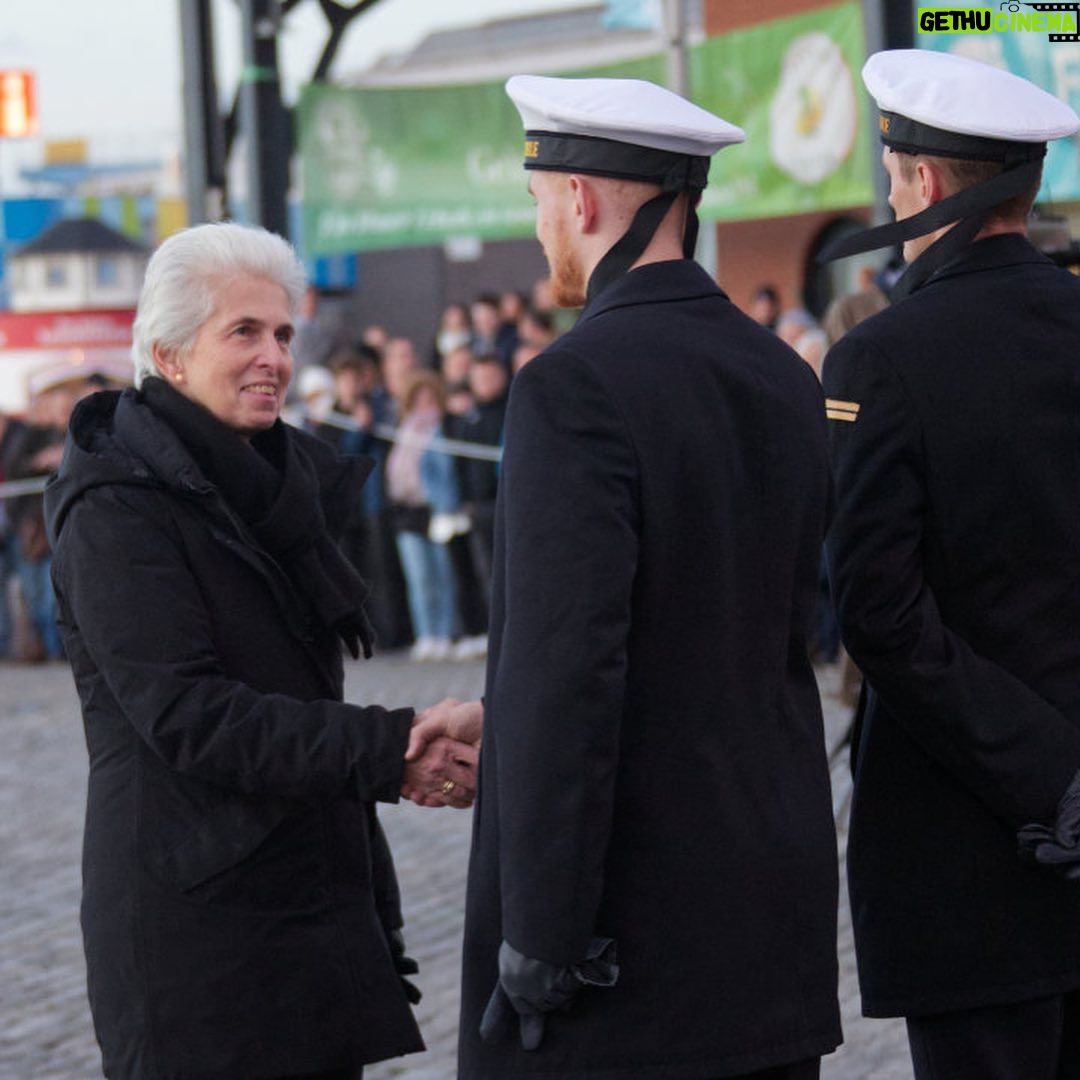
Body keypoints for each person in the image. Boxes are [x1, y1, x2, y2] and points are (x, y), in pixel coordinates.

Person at [419, 74, 842, 1078]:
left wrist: (544, 936)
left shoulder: (572, 385)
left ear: (580, 199)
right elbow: (763, 624)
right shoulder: (782, 373)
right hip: (766, 916)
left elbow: (573, 670)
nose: (540, 233)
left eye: (537, 205)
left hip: (631, 958)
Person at [43, 222, 480, 1080]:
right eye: (242, 331)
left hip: (309, 893)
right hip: (196, 921)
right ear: (168, 355)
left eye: (282, 333)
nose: (272, 356)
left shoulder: (278, 482)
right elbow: (189, 715)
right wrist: (392, 747)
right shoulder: (114, 505)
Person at [820, 50, 1080, 1079]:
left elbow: (878, 611)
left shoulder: (883, 355)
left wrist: (1048, 775)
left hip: (974, 854)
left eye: (894, 177)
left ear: (924, 185)